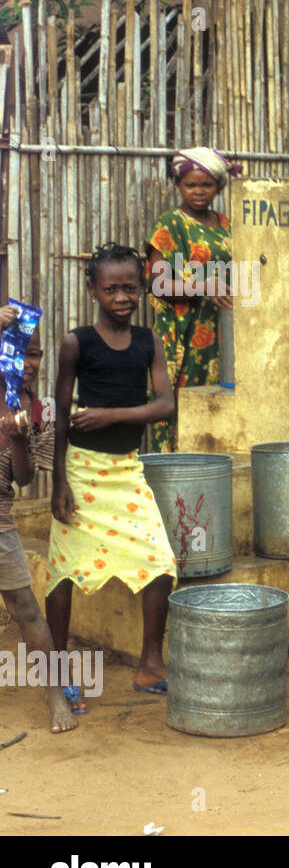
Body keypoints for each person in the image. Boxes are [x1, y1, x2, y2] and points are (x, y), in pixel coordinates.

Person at [45, 244, 177, 701]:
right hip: (81, 471)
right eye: (110, 288)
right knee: (64, 573)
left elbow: (165, 406)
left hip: (126, 471)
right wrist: (58, 481)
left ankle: (148, 664)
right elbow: (61, 415)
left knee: (160, 563)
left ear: (142, 289)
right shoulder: (76, 343)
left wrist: (110, 415)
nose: (121, 297)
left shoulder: (148, 340)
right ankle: (58, 671)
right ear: (93, 291)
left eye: (130, 287)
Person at [0, 317, 75, 731]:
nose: (30, 362)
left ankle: (54, 697)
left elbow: (25, 478)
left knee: (26, 609)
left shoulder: (35, 409)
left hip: (1, 521)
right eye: (20, 352)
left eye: (36, 353)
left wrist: (15, 437)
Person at [145, 147, 242, 452]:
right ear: (178, 185)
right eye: (191, 185)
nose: (199, 192)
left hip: (222, 334)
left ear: (219, 186)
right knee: (180, 408)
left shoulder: (227, 224)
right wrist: (203, 284)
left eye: (207, 185)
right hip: (182, 336)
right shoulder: (169, 226)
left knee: (218, 410)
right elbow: (158, 284)